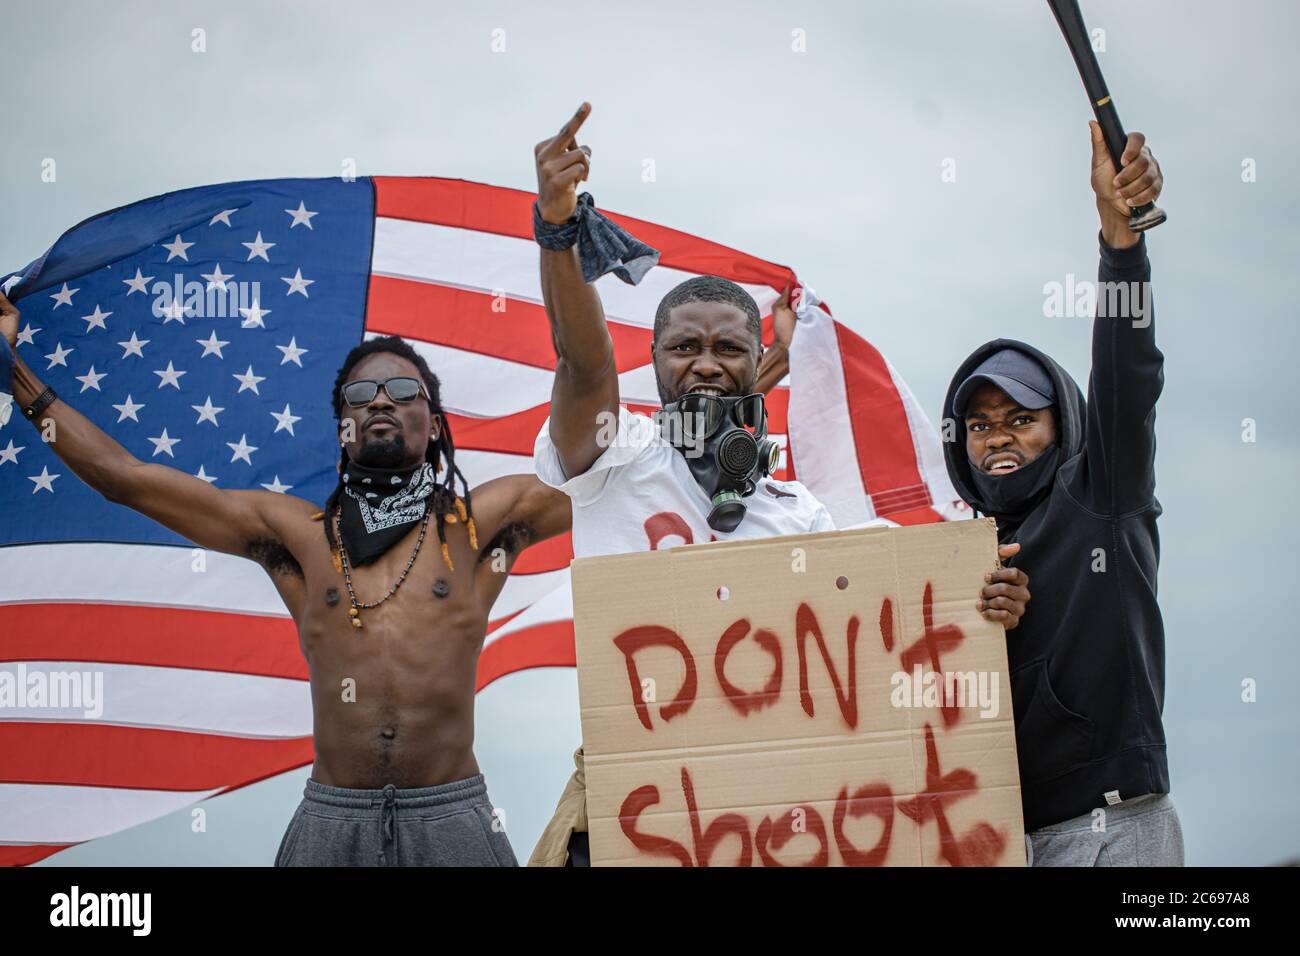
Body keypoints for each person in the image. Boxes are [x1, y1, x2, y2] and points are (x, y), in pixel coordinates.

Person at [526, 103, 1032, 866]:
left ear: (753, 361)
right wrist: (560, 232)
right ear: (656, 360)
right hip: (640, 820)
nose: (704, 362)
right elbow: (584, 365)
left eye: (727, 348)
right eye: (682, 346)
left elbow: (898, 625)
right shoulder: (613, 460)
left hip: (762, 830)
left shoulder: (799, 514)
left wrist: (986, 596)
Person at [0, 300, 571, 867]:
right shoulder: (298, 535)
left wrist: (565, 250)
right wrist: (13, 371)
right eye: (358, 394)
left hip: (452, 817)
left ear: (436, 421)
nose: (378, 399)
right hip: (332, 821)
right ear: (341, 427)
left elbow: (604, 477)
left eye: (402, 390)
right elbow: (127, 480)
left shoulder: (481, 524)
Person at [940, 122, 1182, 866]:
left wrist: (1120, 245)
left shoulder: (1100, 497)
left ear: (1066, 425)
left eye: (1021, 418)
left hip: (1109, 829)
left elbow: (1127, 377)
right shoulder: (956, 561)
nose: (999, 438)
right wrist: (983, 625)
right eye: (979, 425)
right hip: (1002, 843)